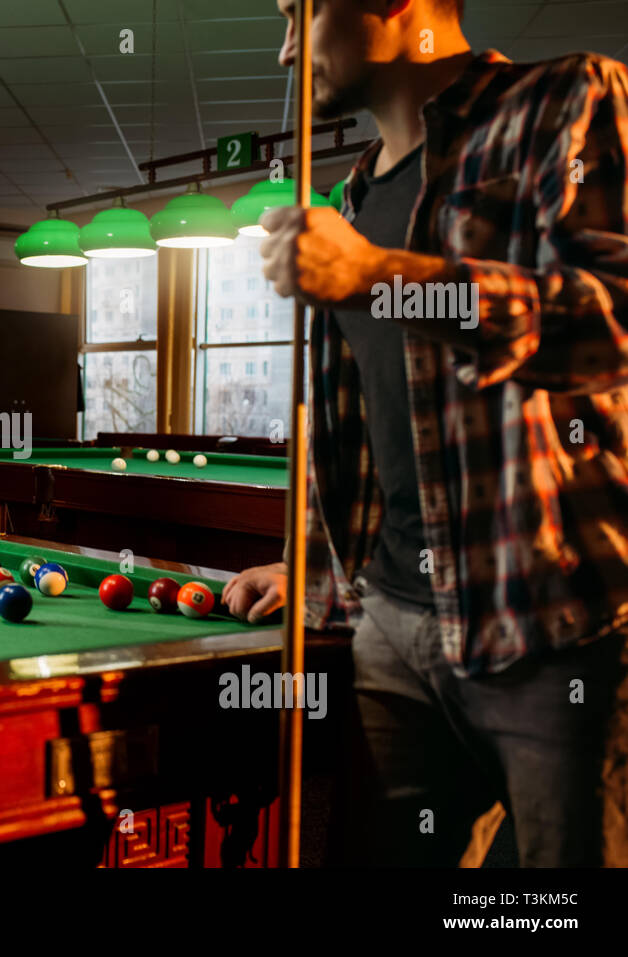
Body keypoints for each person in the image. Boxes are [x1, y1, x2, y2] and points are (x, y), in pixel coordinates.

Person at [224, 0, 628, 865]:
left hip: (552, 626)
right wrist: (314, 566)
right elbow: (360, 426)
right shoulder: (352, 197)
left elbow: (611, 323)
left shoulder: (568, 101)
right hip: (392, 627)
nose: (288, 50)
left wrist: (380, 277)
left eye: (304, 15)